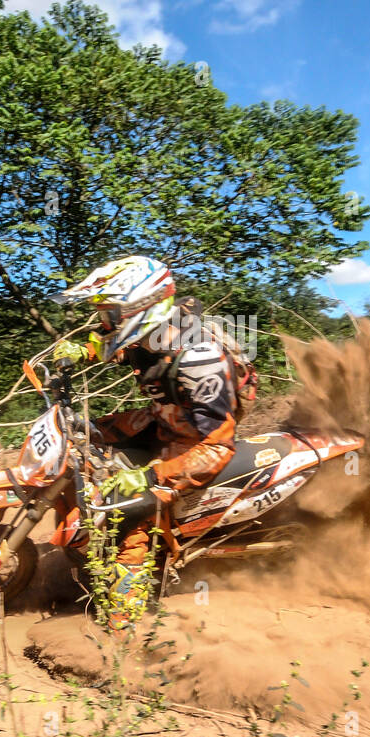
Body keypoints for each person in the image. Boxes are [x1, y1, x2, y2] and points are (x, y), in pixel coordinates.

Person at [51, 256, 255, 629]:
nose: (103, 324)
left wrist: (150, 479)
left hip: (194, 441)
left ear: (140, 308)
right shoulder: (154, 330)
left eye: (110, 315)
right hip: (165, 414)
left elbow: (216, 447)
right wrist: (84, 351)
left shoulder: (199, 359)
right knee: (87, 435)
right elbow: (125, 347)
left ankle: (125, 622)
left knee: (127, 510)